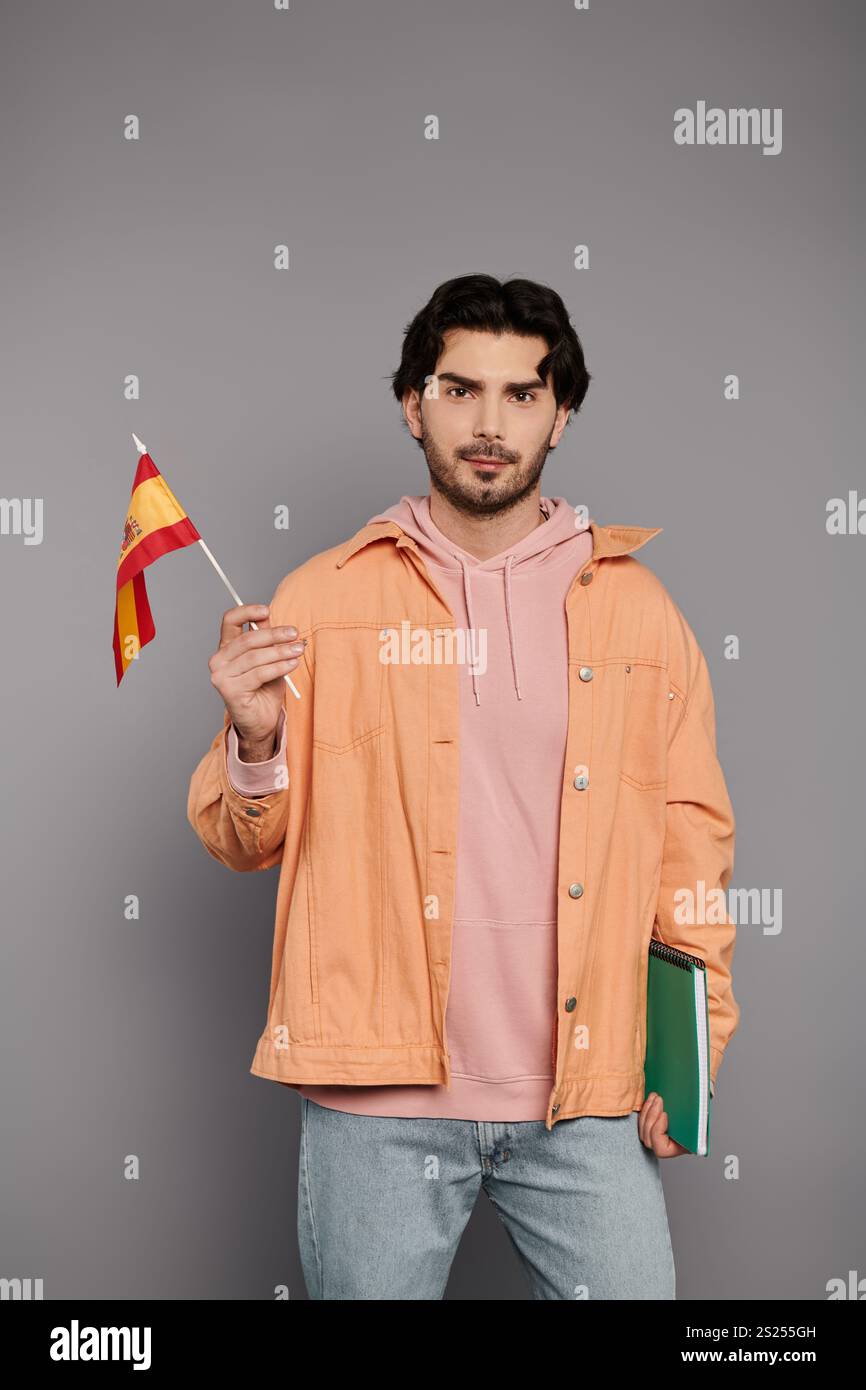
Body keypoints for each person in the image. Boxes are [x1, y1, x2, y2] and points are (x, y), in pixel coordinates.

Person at [187, 273, 739, 1300]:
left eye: (521, 394)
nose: (488, 424)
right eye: (458, 389)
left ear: (560, 414)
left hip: (586, 1096)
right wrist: (252, 736)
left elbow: (690, 841)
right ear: (412, 403)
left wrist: (690, 1051)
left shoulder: (638, 614)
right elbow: (237, 837)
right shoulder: (323, 597)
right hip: (376, 1103)